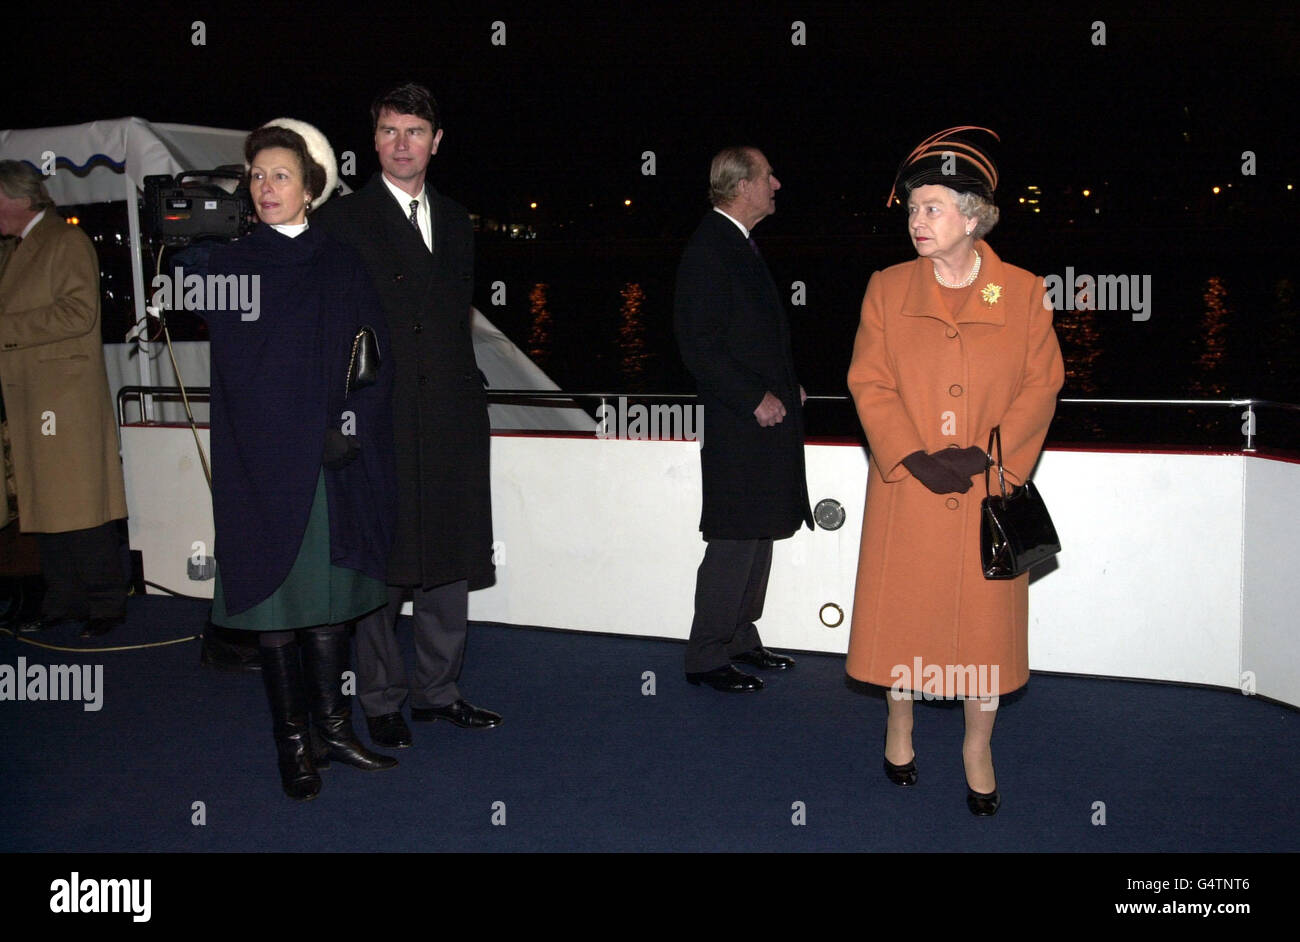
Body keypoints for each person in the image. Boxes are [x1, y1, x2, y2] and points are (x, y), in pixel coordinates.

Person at [845, 127, 1064, 815]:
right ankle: (900, 723)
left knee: (983, 638)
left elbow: (1043, 384)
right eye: (912, 208)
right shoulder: (885, 289)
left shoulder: (1024, 294)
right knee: (906, 622)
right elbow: (868, 382)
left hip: (985, 498)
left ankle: (978, 745)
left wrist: (991, 455)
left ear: (973, 216)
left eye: (932, 207)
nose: (916, 220)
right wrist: (911, 454)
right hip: (909, 493)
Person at [198, 119, 399, 800]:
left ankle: (335, 731)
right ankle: (293, 744)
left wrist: (349, 425)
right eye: (256, 175)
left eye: (281, 175)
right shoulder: (227, 265)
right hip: (261, 467)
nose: (265, 187)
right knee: (276, 608)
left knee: (328, 604)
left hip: (327, 465)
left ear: (310, 188)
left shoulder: (341, 262)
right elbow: (200, 316)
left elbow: (375, 358)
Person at [314, 82, 499, 748]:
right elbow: (330, 331)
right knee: (384, 568)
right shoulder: (342, 221)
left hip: (449, 415)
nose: (401, 144)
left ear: (436, 142)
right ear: (373, 140)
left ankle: (438, 690)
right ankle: (381, 698)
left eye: (414, 131)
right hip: (382, 419)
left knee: (448, 561)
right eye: (389, 131)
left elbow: (454, 323)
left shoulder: (456, 219)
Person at [673, 146, 812, 693]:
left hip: (759, 419)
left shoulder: (737, 244)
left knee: (760, 529)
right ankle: (706, 654)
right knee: (735, 535)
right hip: (738, 424)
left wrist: (782, 384)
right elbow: (698, 346)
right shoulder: (711, 248)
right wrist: (755, 396)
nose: (776, 184)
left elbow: (747, 336)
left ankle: (739, 636)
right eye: (768, 176)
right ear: (742, 186)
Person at [0, 161, 129, 639]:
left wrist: (5, 331)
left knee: (81, 506)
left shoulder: (64, 240)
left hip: (63, 398)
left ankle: (106, 602)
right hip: (30, 396)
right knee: (44, 505)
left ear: (16, 198)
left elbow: (78, 313)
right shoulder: (16, 248)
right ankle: (62, 600)